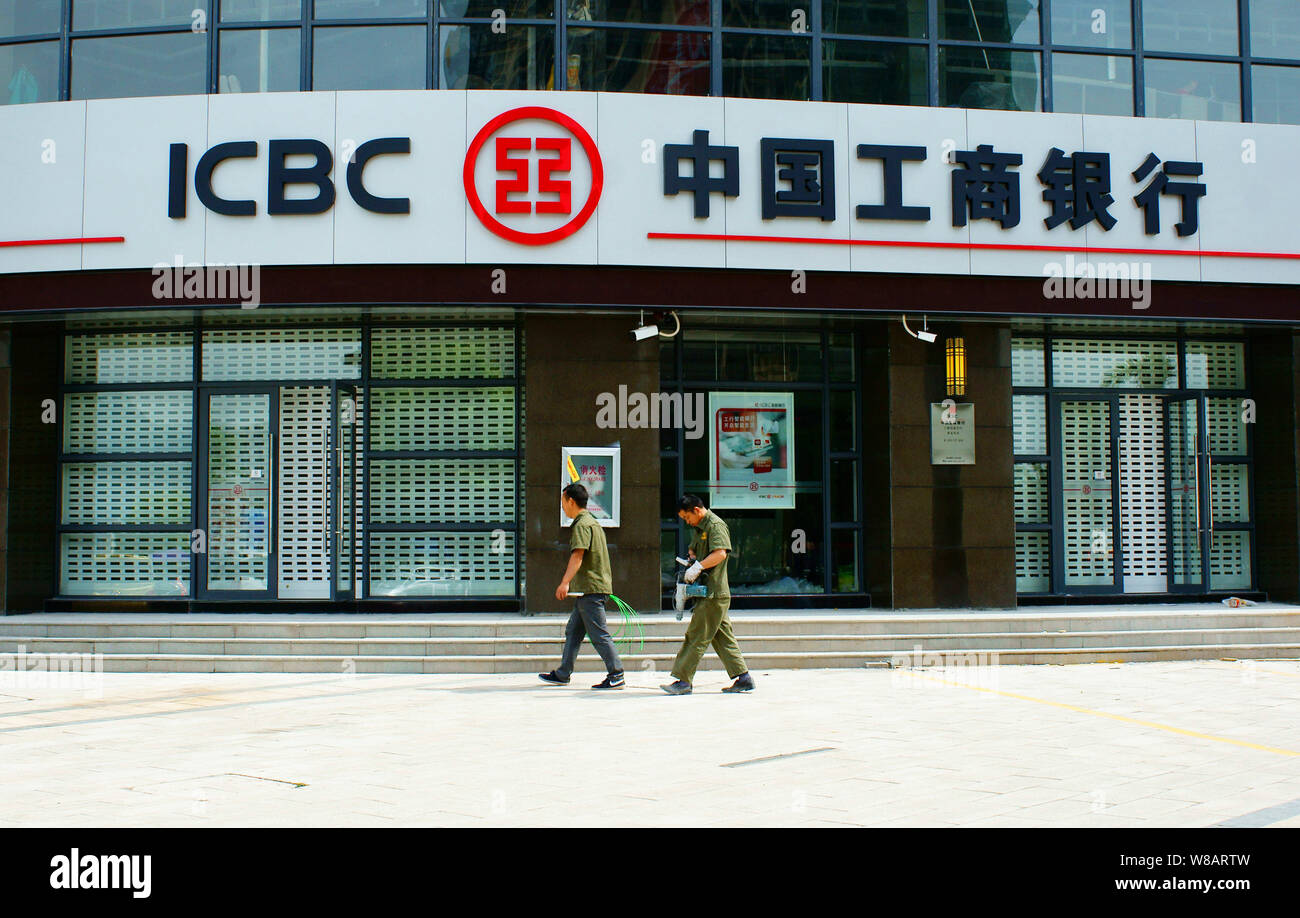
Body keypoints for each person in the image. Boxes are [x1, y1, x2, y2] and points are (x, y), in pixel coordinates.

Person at [662, 494, 754, 695]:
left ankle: (683, 681)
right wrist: (692, 558)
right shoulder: (699, 527)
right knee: (723, 637)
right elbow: (695, 549)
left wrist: (699, 567)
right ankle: (743, 677)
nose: (686, 522)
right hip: (708, 593)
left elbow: (720, 553)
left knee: (696, 635)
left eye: (687, 518)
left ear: (696, 510)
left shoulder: (715, 526)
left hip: (714, 593)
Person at [539, 483, 625, 690]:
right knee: (574, 631)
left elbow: (578, 554)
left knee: (598, 633)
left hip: (591, 589)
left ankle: (616, 674)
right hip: (590, 588)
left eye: (563, 502)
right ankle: (563, 673)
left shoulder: (582, 524)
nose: (562, 507)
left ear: (571, 501)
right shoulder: (592, 522)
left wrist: (564, 582)